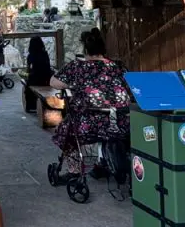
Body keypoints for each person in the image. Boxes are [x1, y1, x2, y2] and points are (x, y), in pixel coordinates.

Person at [49, 28, 130, 183]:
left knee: (66, 132)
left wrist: (73, 84)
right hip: (120, 123)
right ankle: (103, 163)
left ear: (85, 49)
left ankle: (74, 171)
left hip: (87, 125)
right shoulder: (118, 66)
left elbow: (54, 82)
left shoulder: (77, 67)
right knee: (111, 130)